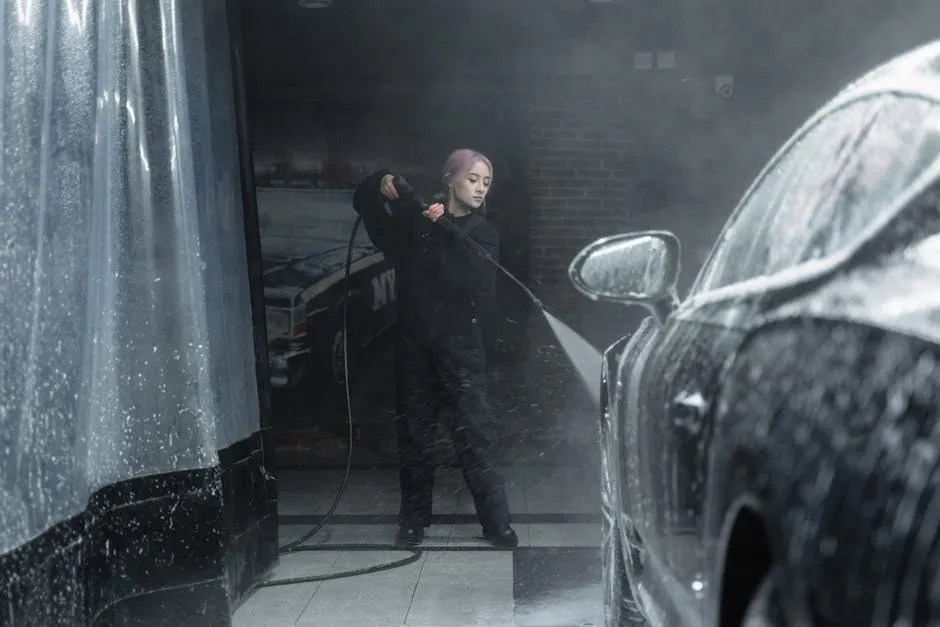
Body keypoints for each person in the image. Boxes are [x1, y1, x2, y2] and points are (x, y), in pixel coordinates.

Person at [352, 149, 518, 547]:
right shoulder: (415, 224)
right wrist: (380, 179)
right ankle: (413, 520)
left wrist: (444, 225)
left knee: (475, 433)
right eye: (473, 178)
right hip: (415, 346)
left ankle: (496, 522)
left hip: (461, 347)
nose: (480, 188)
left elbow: (475, 283)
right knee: (414, 434)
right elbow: (367, 209)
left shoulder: (483, 233)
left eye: (486, 182)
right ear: (450, 179)